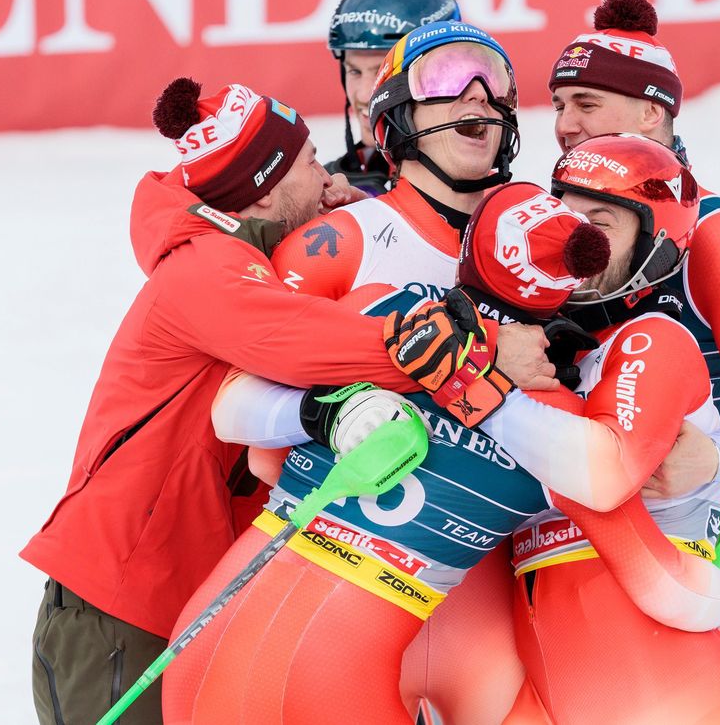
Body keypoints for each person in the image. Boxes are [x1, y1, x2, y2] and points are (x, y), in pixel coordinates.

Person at [18, 77, 545, 725]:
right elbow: (307, 341)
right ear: (266, 188)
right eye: (311, 163)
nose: (328, 179)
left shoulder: (239, 255)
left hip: (179, 584)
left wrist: (359, 218)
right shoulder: (206, 267)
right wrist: (476, 344)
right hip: (123, 605)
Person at [161, 181, 616, 724]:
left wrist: (327, 414)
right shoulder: (564, 414)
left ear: (466, 251)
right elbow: (650, 562)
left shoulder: (379, 305)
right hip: (343, 684)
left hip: (203, 649)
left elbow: (247, 437)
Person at [540, 0, 720, 723]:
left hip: (700, 526)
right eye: (559, 104)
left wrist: (718, 458)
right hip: (570, 544)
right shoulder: (554, 224)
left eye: (587, 103)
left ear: (651, 114)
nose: (564, 123)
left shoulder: (719, 232)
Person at [270, 19, 539, 723]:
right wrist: (339, 411)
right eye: (445, 78)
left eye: (493, 79)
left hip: (489, 608)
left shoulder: (544, 244)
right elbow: (237, 408)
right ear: (397, 117)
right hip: (344, 584)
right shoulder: (340, 241)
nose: (476, 94)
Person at [497, 134, 720, 724]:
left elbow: (602, 476)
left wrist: (476, 388)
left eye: (601, 223)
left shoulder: (655, 339)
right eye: (564, 217)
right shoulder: (554, 355)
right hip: (555, 672)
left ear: (653, 249)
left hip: (655, 683)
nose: (574, 238)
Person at [325, 0, 459, 194]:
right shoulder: (327, 188)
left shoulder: (480, 191)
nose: (365, 95)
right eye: (355, 71)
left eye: (382, 71)